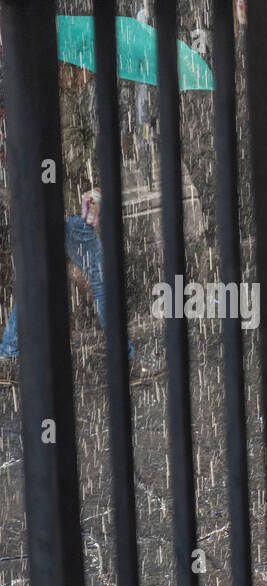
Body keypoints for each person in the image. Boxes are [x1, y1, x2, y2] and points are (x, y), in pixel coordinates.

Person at [0, 63, 137, 367]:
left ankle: (9, 352)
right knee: (103, 283)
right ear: (70, 70)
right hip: (70, 214)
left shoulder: (43, 100)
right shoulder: (63, 101)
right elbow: (72, 158)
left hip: (47, 210)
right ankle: (124, 355)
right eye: (85, 70)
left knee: (33, 283)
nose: (89, 76)